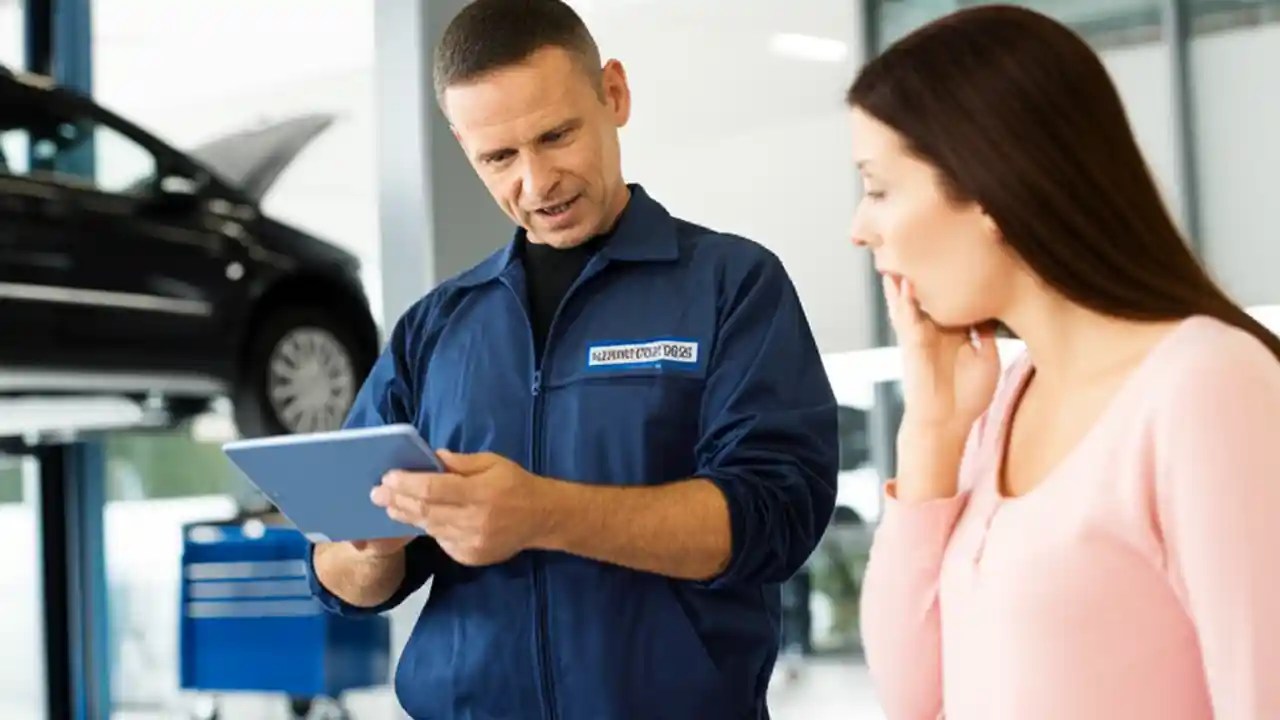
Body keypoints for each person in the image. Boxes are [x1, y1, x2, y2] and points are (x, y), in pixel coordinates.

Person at [306, 1, 839, 718]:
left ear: (613, 95)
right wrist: (370, 555)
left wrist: (542, 514)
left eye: (556, 135)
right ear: (465, 146)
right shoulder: (435, 330)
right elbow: (340, 572)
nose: (536, 182)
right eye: (498, 157)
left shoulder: (729, 285)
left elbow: (777, 516)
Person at [845, 6, 1280, 720]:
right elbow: (913, 698)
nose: (860, 231)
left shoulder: (1206, 385)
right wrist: (930, 436)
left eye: (879, 188)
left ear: (986, 186)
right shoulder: (1006, 400)